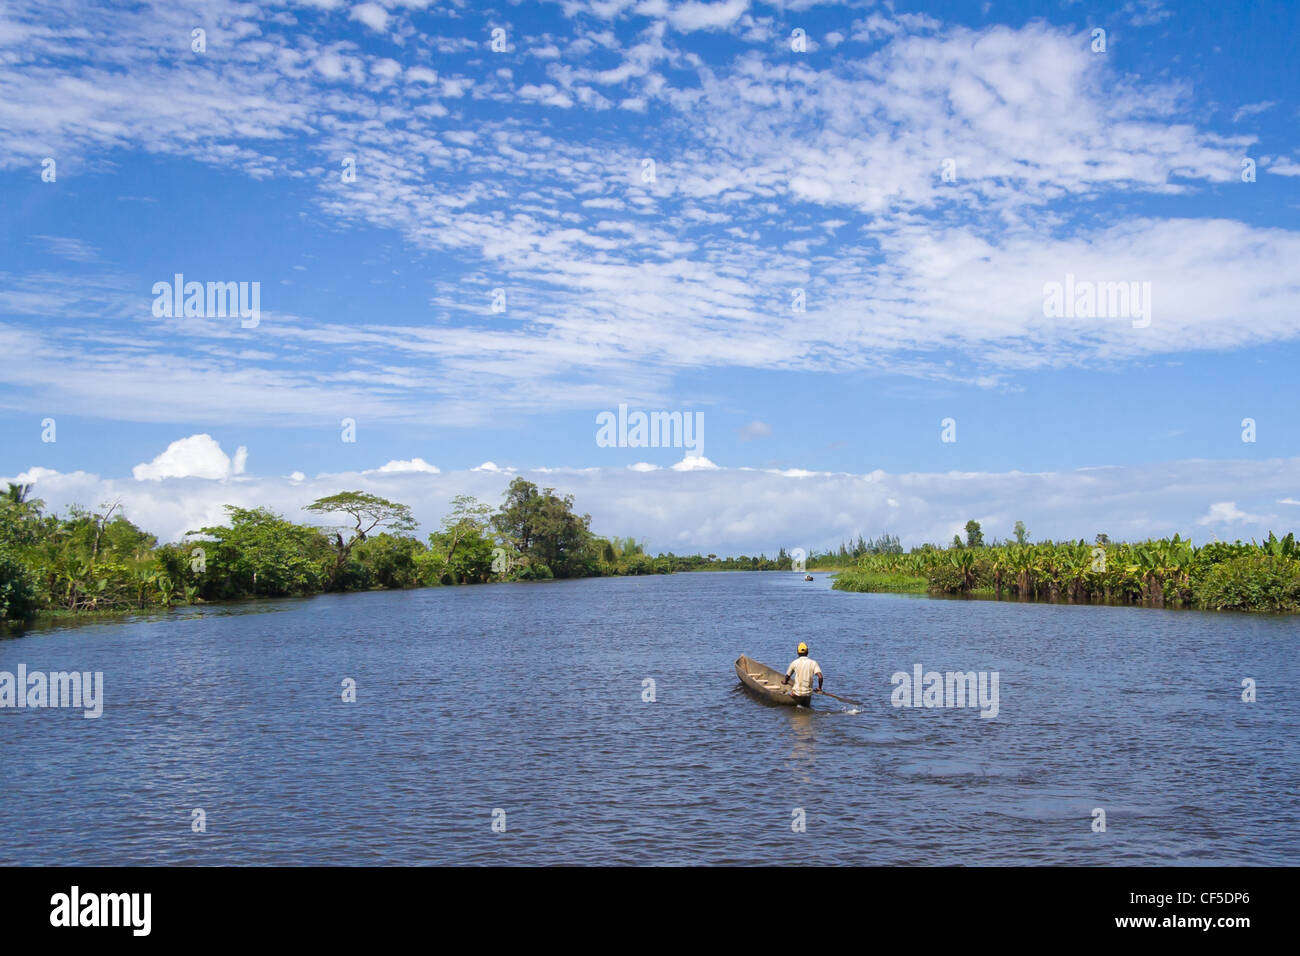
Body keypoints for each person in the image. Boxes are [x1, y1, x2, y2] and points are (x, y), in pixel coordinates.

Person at [783, 642, 823, 707]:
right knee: (806, 707)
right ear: (807, 652)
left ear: (798, 653)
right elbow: (820, 677)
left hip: (797, 694)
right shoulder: (813, 663)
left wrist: (785, 682)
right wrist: (819, 688)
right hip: (808, 694)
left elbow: (788, 676)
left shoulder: (794, 663)